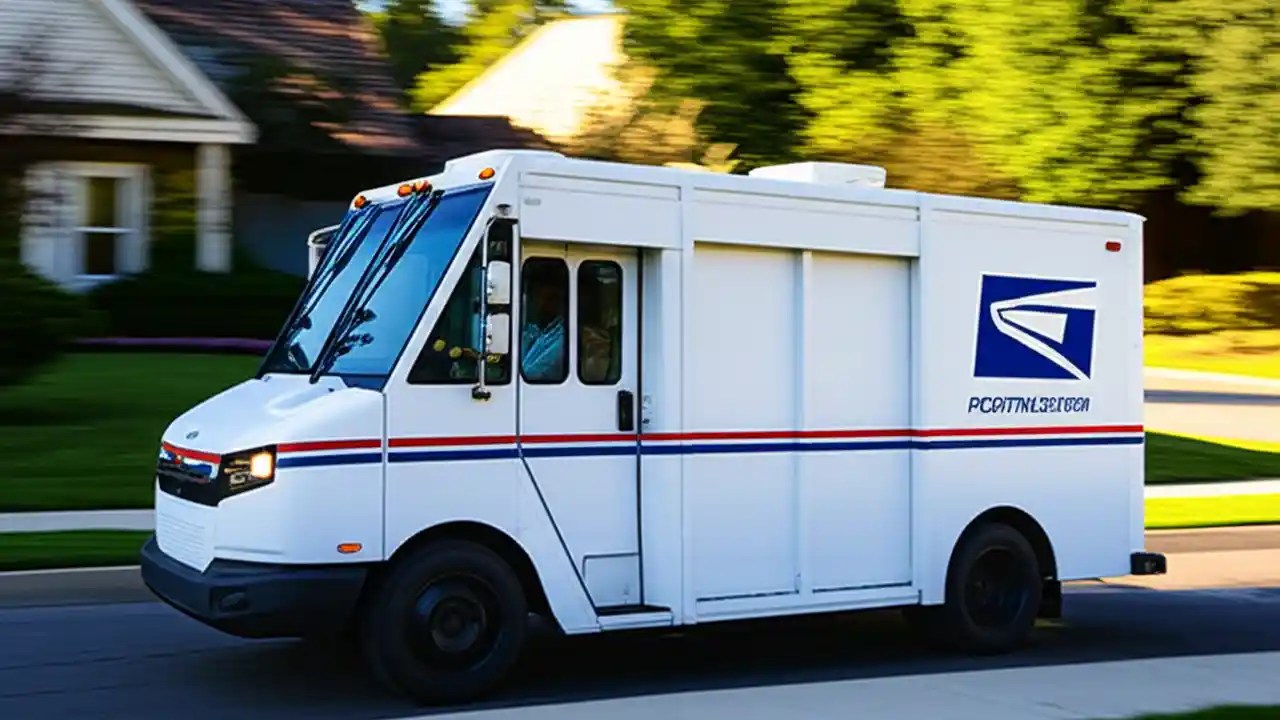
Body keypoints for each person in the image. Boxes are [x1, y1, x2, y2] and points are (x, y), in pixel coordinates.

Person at [521, 274, 566, 382]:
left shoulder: (563, 336)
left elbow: (533, 374)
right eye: (535, 297)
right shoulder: (537, 330)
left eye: (548, 299)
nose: (539, 304)